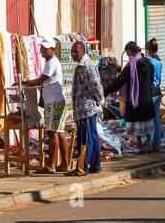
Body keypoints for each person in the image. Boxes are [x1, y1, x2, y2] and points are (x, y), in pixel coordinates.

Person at [21, 38, 68, 172]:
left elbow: (41, 80)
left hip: (54, 101)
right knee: (59, 132)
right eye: (42, 48)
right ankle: (64, 164)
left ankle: (52, 165)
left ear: (52, 50)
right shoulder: (51, 62)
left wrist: (25, 82)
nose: (42, 51)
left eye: (45, 49)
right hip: (55, 100)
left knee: (53, 132)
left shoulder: (51, 62)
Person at [105, 41, 158, 153]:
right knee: (147, 123)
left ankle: (140, 147)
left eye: (127, 51)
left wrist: (105, 90)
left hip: (135, 99)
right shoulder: (148, 62)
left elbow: (120, 81)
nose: (127, 54)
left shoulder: (131, 66)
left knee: (137, 123)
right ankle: (149, 146)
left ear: (130, 51)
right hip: (146, 98)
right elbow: (151, 78)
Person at [69, 40, 105, 174]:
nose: (73, 54)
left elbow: (95, 85)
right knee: (93, 136)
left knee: (86, 139)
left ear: (82, 50)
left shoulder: (85, 66)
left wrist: (100, 100)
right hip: (84, 109)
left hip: (86, 109)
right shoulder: (82, 65)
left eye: (75, 51)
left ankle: (82, 167)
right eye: (72, 51)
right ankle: (95, 165)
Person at [146, 37, 165, 153]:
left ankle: (148, 144)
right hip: (158, 90)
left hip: (150, 91)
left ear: (148, 50)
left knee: (148, 119)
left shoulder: (149, 61)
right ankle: (156, 144)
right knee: (157, 119)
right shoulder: (160, 62)